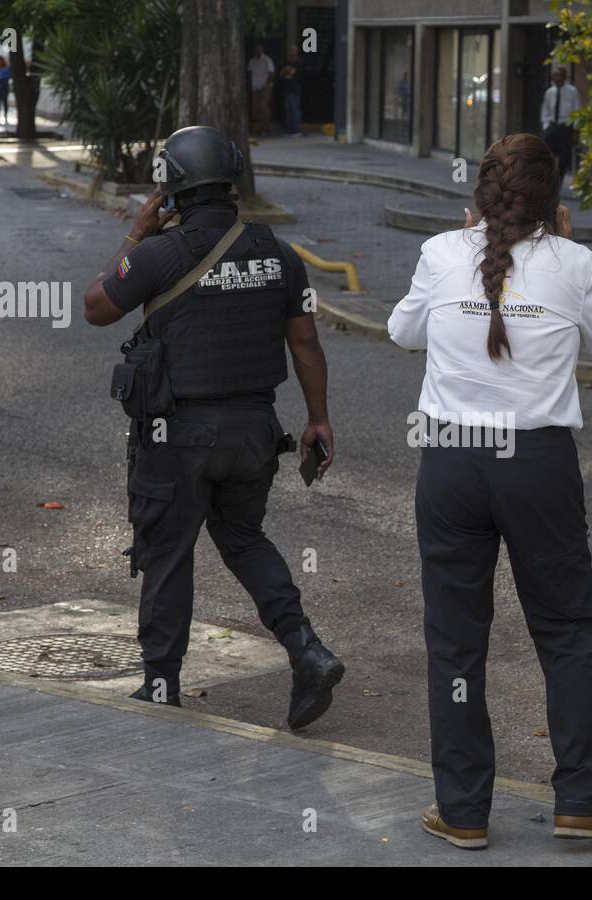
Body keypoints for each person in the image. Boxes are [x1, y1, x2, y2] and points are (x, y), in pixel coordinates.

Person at [387, 133, 592, 850]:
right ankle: (585, 804)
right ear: (554, 205)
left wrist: (469, 247)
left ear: (479, 196)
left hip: (451, 459)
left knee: (455, 640)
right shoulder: (574, 262)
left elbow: (401, 330)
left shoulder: (443, 253)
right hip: (537, 461)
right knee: (565, 631)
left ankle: (464, 811)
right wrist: (563, 259)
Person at [82, 125, 344, 729]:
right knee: (245, 540)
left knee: (168, 553)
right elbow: (306, 346)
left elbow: (96, 307)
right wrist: (319, 419)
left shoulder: (156, 254)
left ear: (170, 190)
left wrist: (135, 232)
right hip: (255, 432)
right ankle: (306, 649)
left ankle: (160, 684)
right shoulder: (279, 255)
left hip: (180, 438)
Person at [540, 66, 580, 193]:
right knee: (547, 157)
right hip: (552, 127)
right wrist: (546, 125)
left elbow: (577, 111)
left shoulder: (572, 91)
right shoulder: (549, 92)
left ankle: (558, 184)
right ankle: (548, 183)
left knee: (563, 158)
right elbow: (545, 110)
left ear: (565, 77)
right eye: (555, 76)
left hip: (565, 127)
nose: (557, 78)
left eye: (559, 75)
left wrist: (575, 130)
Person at [247, 44, 275, 133]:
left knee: (263, 106)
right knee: (256, 107)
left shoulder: (267, 60)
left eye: (259, 50)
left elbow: (271, 73)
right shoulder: (252, 61)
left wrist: (266, 84)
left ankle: (267, 126)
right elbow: (249, 72)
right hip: (255, 86)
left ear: (262, 50)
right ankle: (259, 127)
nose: (257, 52)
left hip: (265, 86)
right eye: (256, 50)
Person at [278, 45, 302, 137]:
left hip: (294, 89)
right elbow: (281, 73)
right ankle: (290, 130)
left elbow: (292, 72)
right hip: (286, 89)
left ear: (296, 51)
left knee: (294, 110)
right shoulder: (287, 62)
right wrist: (286, 70)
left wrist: (286, 70)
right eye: (290, 50)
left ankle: (296, 130)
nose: (292, 52)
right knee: (288, 110)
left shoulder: (298, 62)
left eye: (293, 50)